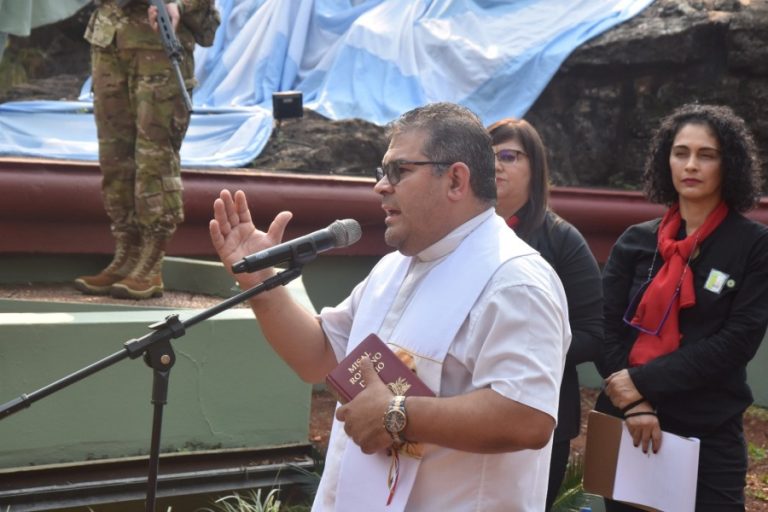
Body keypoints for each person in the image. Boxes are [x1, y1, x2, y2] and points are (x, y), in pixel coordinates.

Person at [208, 102, 571, 511]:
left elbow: (527, 417)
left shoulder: (515, 280)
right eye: (381, 172)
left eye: (399, 171)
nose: (381, 186)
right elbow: (320, 356)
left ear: (455, 180)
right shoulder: (393, 269)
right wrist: (262, 286)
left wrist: (398, 413)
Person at [596, 103, 768, 511]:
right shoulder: (635, 241)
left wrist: (642, 384)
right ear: (665, 160)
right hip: (628, 422)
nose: (691, 165)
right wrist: (636, 404)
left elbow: (736, 342)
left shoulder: (753, 246)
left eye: (706, 155)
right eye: (680, 153)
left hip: (706, 430)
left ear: (730, 165)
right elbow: (603, 327)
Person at [488, 118, 603, 510]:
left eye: (509, 156)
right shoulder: (458, 235)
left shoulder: (562, 240)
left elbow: (593, 332)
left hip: (541, 412)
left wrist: (521, 350)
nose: (496, 165)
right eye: (486, 156)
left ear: (534, 168)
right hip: (463, 404)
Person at [75, 0, 218, 299]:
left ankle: (151, 260)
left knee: (155, 156)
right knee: (115, 157)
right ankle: (126, 254)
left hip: (157, 47)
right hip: (109, 40)